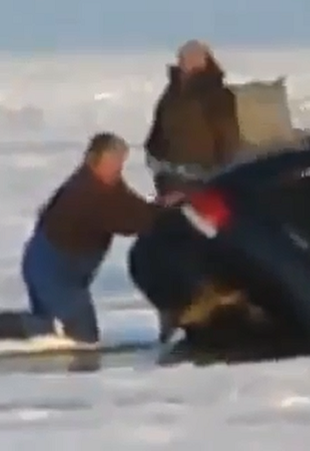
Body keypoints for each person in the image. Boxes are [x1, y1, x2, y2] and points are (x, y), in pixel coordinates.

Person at [18, 132, 181, 344]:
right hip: (52, 269)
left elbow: (132, 206)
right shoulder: (88, 191)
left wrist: (158, 207)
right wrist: (162, 212)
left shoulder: (106, 183)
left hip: (56, 265)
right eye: (114, 161)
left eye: (121, 162)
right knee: (81, 336)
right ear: (95, 159)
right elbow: (128, 223)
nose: (118, 168)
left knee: (52, 329)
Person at [144, 39, 242, 196]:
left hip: (200, 177)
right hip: (169, 175)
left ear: (201, 61)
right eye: (181, 58)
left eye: (185, 59)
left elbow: (228, 134)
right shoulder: (172, 91)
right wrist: (151, 151)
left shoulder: (216, 94)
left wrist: (225, 172)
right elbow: (159, 122)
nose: (180, 62)